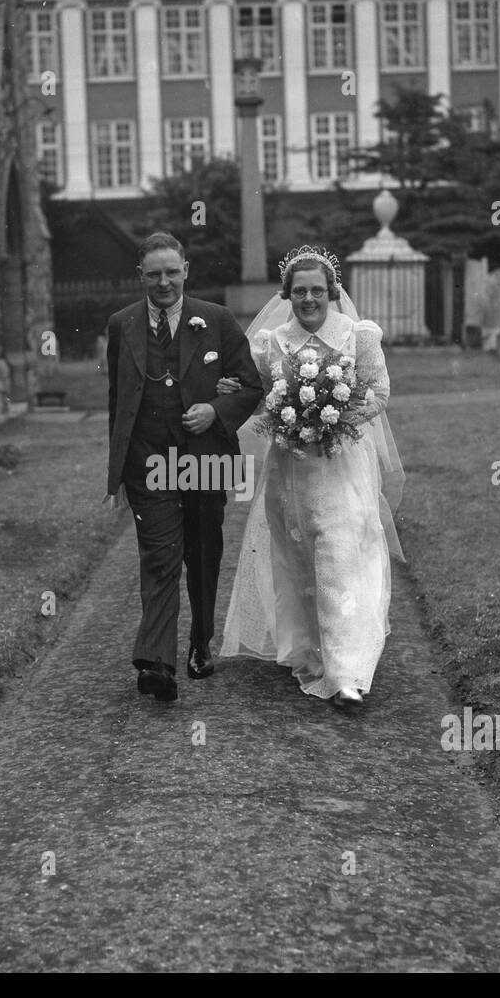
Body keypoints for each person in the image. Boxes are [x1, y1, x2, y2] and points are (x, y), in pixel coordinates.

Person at [217, 245, 406, 709]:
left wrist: (337, 417)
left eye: (317, 290)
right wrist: (237, 393)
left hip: (343, 466)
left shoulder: (358, 336)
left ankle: (347, 673)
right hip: (292, 472)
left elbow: (379, 391)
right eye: (299, 291)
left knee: (342, 557)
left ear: (332, 291)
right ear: (287, 294)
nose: (308, 299)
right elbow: (260, 396)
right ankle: (312, 652)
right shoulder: (270, 343)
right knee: (301, 561)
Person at [106, 232, 263, 701]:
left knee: (201, 554)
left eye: (171, 272)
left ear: (186, 271)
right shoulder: (122, 325)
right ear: (141, 277)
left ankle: (199, 643)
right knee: (159, 558)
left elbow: (251, 386)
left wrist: (216, 410)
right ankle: (158, 663)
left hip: (205, 461)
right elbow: (119, 400)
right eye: (153, 274)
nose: (163, 283)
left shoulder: (216, 319)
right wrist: (117, 472)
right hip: (148, 462)